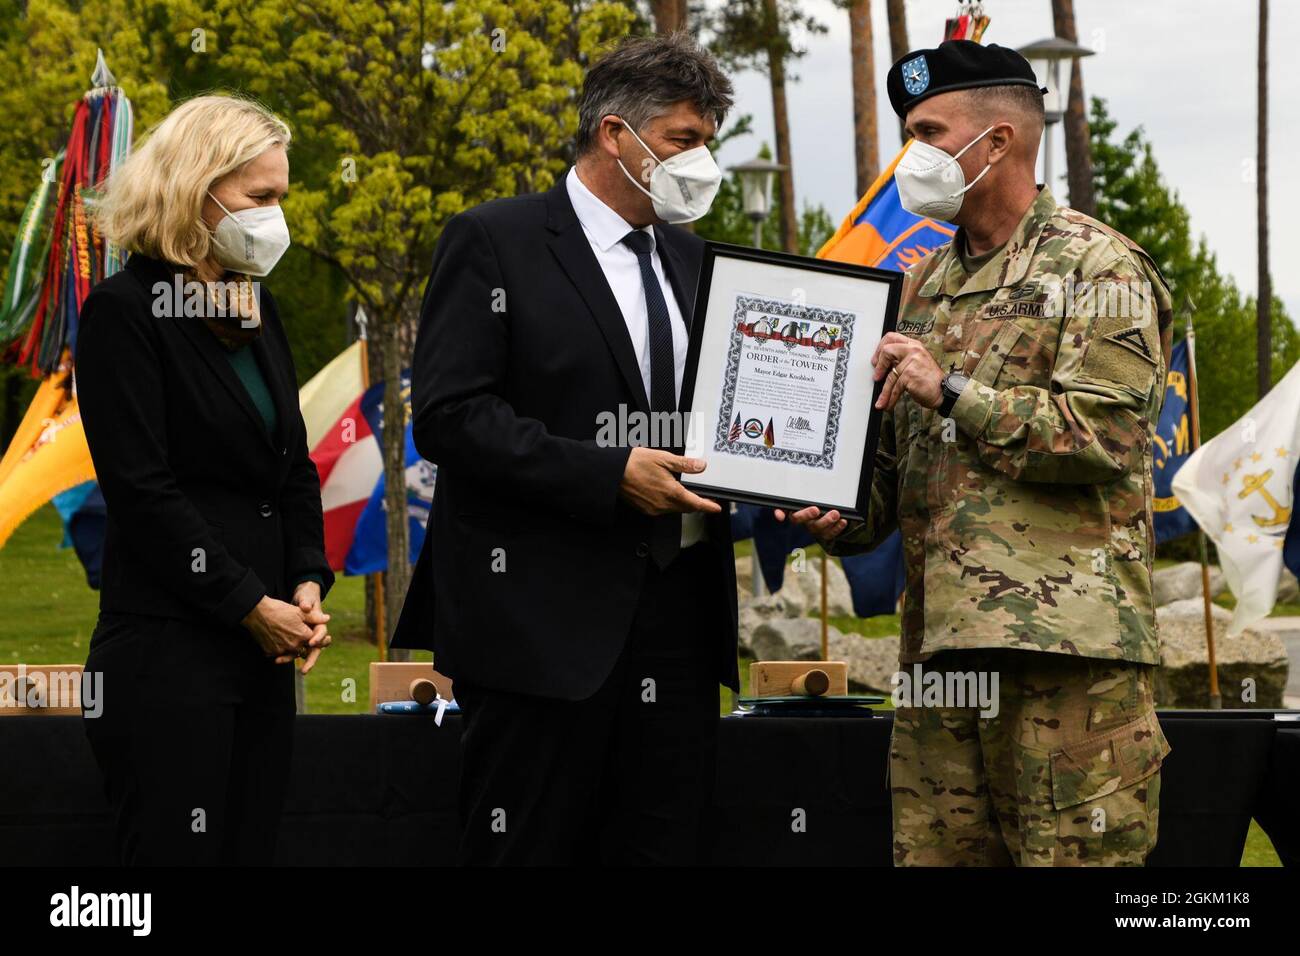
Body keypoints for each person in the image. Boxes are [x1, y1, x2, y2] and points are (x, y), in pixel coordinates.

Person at [782, 40, 1175, 866]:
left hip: (1068, 661)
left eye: (927, 132)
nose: (910, 159)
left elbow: (1103, 436)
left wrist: (951, 390)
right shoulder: (921, 285)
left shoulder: (1100, 267)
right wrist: (838, 511)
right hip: (939, 658)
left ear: (996, 141)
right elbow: (899, 471)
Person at [392, 32, 739, 865]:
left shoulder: (699, 262)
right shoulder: (494, 240)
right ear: (615, 134)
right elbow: (449, 414)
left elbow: (730, 422)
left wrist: (795, 482)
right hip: (538, 629)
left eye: (707, 143)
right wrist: (606, 472)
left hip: (680, 625)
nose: (702, 162)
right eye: (685, 140)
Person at [76, 94, 333, 865]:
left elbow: (291, 465)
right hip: (168, 653)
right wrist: (248, 604)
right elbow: (142, 490)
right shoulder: (124, 313)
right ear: (198, 191)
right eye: (261, 197)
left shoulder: (254, 306)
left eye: (280, 197)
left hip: (262, 655)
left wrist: (307, 579)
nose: (275, 216)